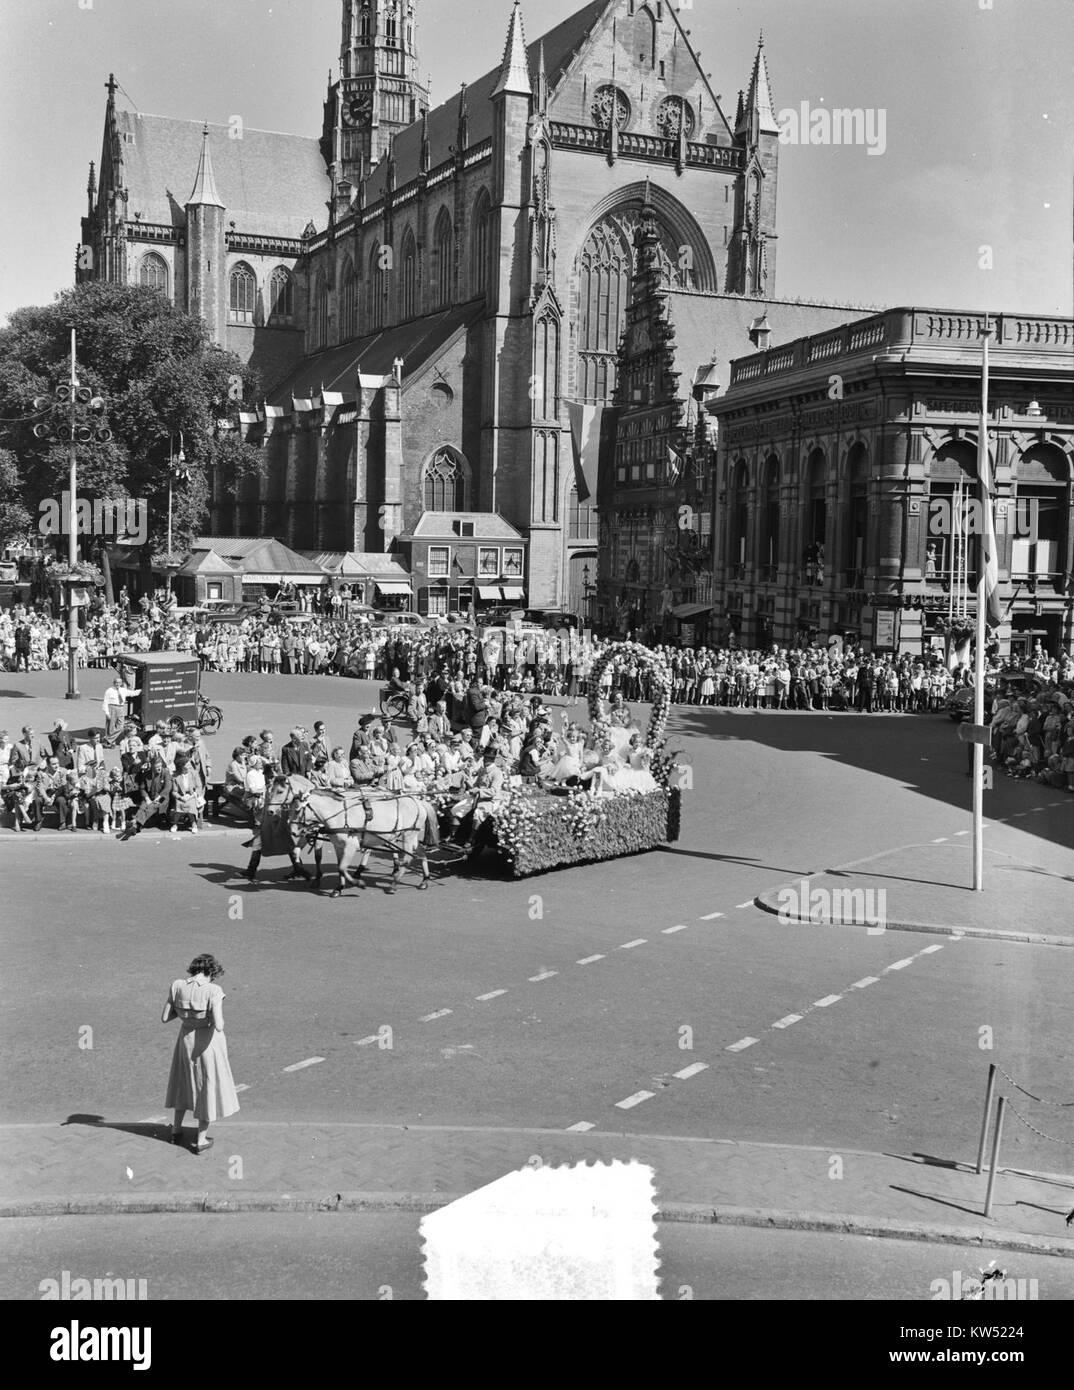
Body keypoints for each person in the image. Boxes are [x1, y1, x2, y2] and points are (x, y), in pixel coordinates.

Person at [162, 953, 239, 1154]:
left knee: (183, 1084)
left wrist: (186, 1015)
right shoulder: (214, 990)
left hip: (185, 1042)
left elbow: (165, 1017)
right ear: (211, 972)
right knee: (206, 1088)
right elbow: (219, 1025)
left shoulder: (177, 985)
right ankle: (201, 1139)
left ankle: (176, 1131)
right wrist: (208, 1017)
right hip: (207, 1045)